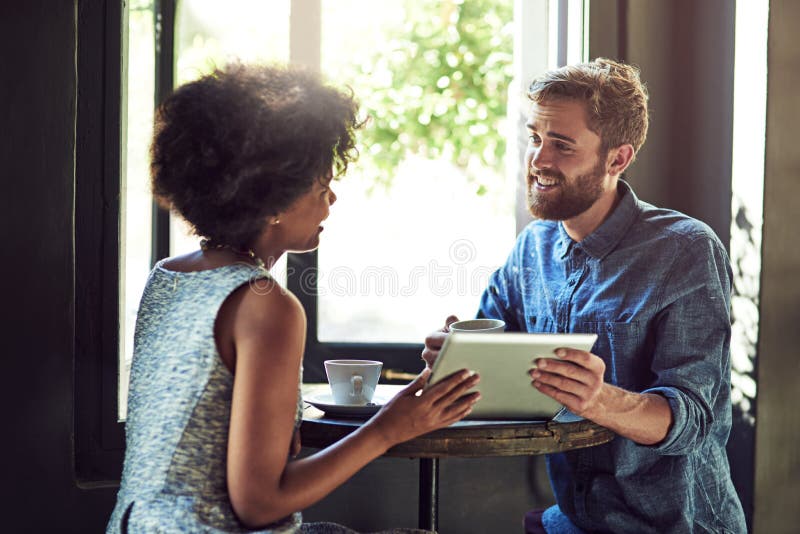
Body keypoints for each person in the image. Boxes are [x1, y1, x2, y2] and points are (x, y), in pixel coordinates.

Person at [106, 63, 481, 534]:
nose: (332, 201)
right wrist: (391, 427)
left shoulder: (167, 277)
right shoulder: (266, 305)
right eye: (323, 186)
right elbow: (260, 505)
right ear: (274, 201)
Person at [422, 58, 746, 533]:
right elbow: (492, 364)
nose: (538, 159)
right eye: (535, 139)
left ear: (617, 158)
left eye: (561, 145)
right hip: (572, 522)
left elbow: (693, 419)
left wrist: (600, 400)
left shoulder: (686, 250)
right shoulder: (532, 248)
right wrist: (455, 357)